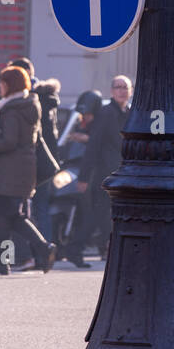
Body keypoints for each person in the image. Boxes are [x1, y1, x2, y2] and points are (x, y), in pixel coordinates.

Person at [0, 65, 57, 275]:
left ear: (9, 85)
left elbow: (9, 141)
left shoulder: (12, 109)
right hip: (22, 169)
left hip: (11, 170)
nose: (0, 87)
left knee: (12, 217)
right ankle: (3, 262)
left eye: (3, 83)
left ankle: (42, 247)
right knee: (6, 217)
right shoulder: (28, 105)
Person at [71, 75, 132, 262]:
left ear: (130, 91)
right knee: (97, 214)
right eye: (118, 87)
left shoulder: (131, 113)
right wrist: (83, 177)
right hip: (105, 175)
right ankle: (74, 250)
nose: (121, 91)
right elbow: (94, 146)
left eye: (125, 87)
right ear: (112, 91)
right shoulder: (106, 113)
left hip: (124, 174)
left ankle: (105, 249)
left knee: (109, 215)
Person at [6, 58, 60, 245]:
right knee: (39, 207)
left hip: (27, 161)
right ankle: (45, 251)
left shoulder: (28, 100)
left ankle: (29, 254)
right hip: (44, 160)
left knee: (17, 211)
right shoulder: (47, 98)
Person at [61, 89, 103, 269]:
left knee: (94, 215)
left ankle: (76, 249)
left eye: (88, 113)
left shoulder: (100, 122)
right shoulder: (81, 123)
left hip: (96, 173)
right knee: (89, 215)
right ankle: (73, 249)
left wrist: (86, 138)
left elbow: (98, 145)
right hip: (86, 173)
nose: (84, 117)